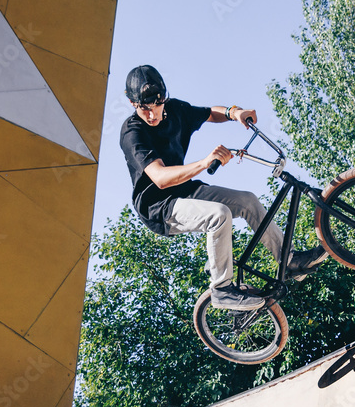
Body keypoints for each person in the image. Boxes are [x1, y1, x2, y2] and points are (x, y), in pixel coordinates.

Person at [119, 65, 327, 311]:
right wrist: (204, 163)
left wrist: (235, 112)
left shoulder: (175, 110)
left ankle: (290, 260)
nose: (152, 115)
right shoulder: (132, 133)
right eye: (144, 109)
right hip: (159, 207)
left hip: (185, 190)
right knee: (219, 215)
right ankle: (221, 290)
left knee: (248, 201)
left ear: (164, 98)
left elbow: (209, 113)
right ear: (132, 103)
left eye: (157, 106)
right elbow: (161, 178)